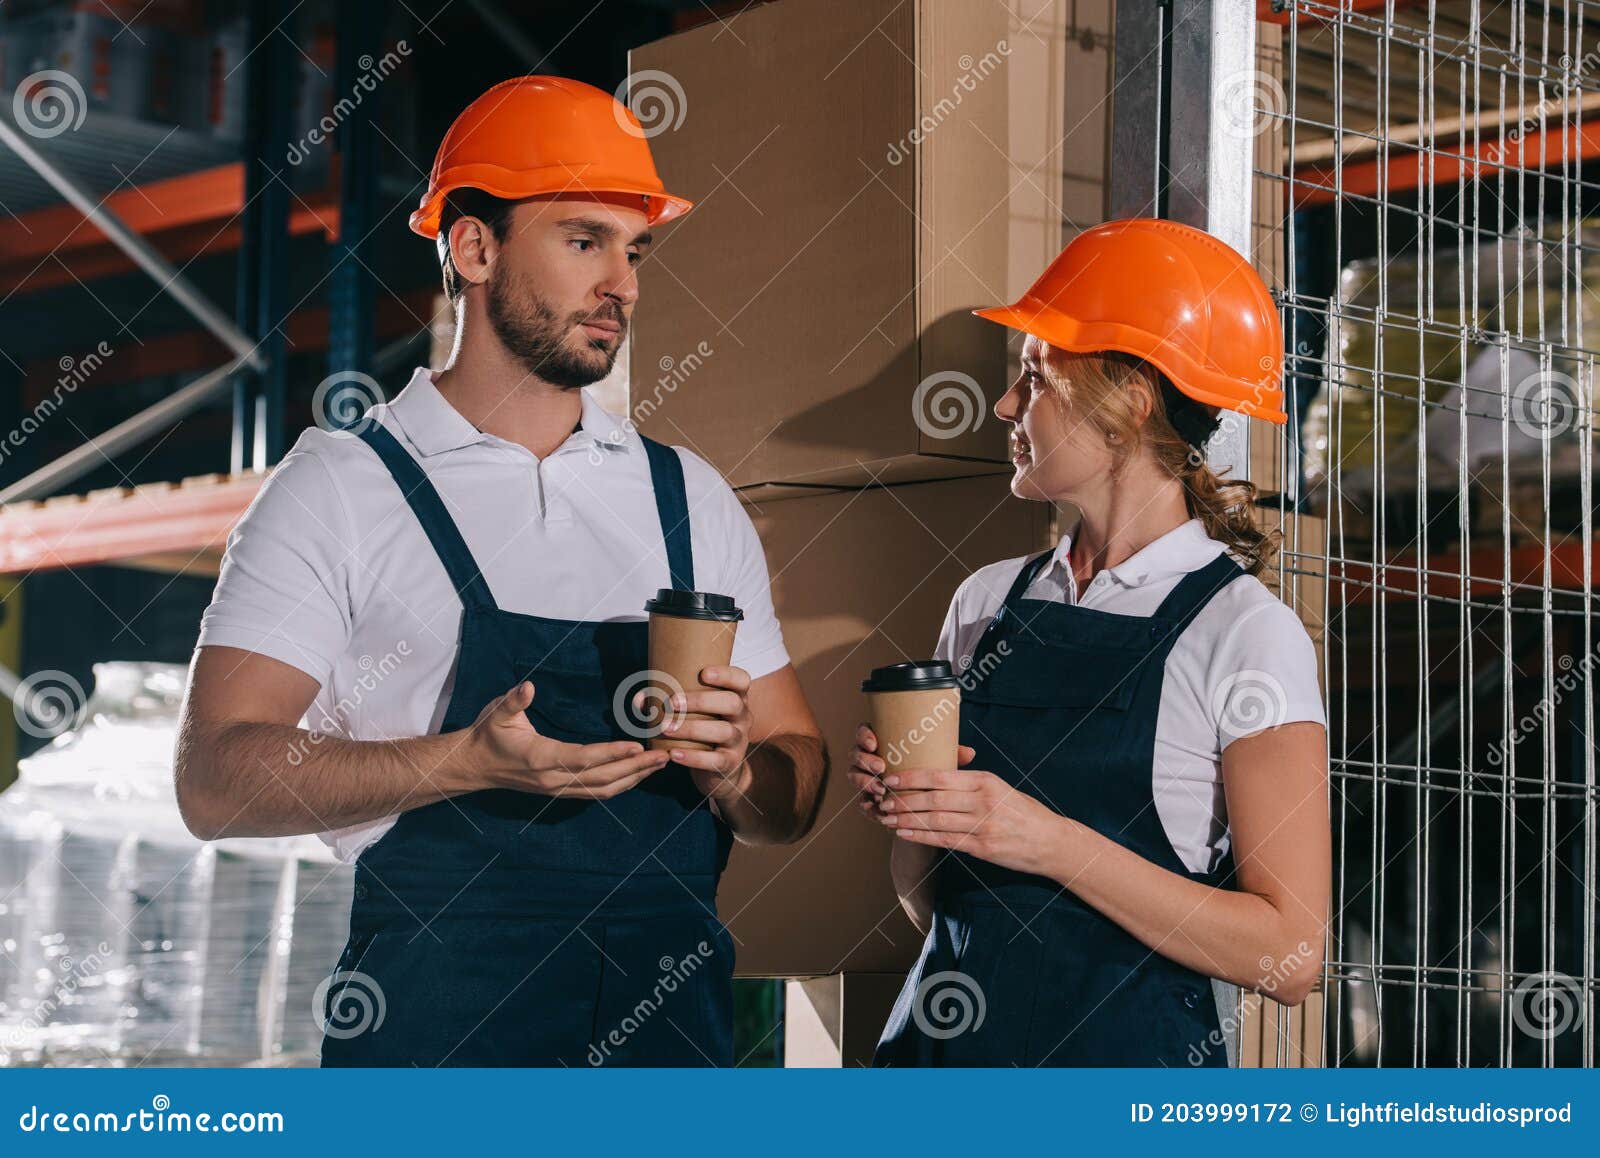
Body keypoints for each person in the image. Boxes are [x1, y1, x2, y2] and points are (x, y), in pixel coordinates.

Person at [174, 76, 827, 1067]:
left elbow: (794, 787)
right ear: (474, 248)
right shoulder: (344, 485)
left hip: (671, 1052)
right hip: (440, 1050)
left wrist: (738, 769)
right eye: (583, 241)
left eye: (634, 247)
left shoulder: (687, 498)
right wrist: (460, 763)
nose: (626, 284)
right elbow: (213, 781)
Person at [853, 219, 1329, 1067]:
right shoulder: (986, 602)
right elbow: (936, 906)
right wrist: (916, 811)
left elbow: (1292, 957)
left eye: (1033, 378)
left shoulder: (1247, 633)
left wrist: (1047, 840)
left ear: (1128, 405)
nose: (1005, 406)